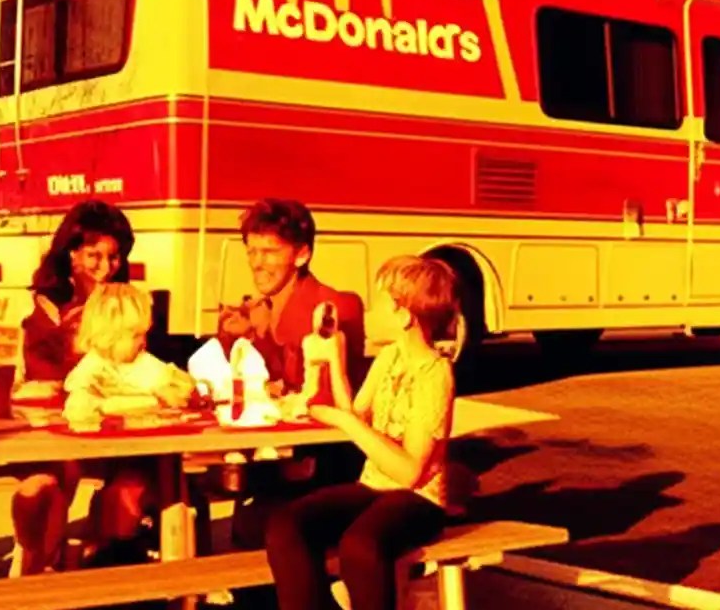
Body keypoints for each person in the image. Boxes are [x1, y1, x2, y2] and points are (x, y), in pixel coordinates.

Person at [264, 256, 459, 610]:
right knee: (287, 524)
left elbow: (410, 471)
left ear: (405, 315)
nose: (372, 313)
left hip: (419, 500)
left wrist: (346, 422)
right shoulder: (389, 358)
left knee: (361, 545)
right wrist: (335, 359)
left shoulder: (434, 373)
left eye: (382, 302)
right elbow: (356, 412)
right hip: (373, 488)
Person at [227, 199, 368, 551]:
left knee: (254, 521)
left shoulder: (335, 305)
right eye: (251, 251)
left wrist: (263, 339)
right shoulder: (259, 309)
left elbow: (318, 391)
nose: (258, 262)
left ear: (301, 255)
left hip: (323, 461)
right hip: (273, 456)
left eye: (270, 251)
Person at [9, 199, 135, 576]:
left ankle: (78, 554)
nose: (105, 267)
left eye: (114, 257)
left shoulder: (121, 299)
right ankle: (36, 563)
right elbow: (42, 377)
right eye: (94, 255)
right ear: (72, 254)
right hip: (55, 420)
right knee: (52, 475)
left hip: (112, 422)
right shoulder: (49, 305)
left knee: (134, 478)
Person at [59, 283, 196, 566]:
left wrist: (175, 387)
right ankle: (114, 552)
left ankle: (133, 549)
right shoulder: (94, 366)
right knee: (120, 496)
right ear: (108, 337)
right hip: (109, 456)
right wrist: (137, 401)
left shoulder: (142, 363)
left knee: (143, 489)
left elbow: (179, 386)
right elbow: (78, 404)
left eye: (143, 334)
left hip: (150, 454)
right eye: (135, 336)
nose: (142, 342)